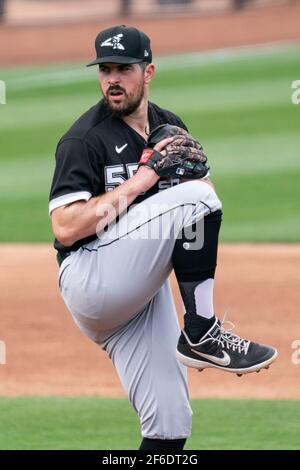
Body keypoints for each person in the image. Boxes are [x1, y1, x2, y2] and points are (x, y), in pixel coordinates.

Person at [49, 25, 277, 451]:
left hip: (139, 290)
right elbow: (64, 227)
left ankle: (197, 334)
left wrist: (188, 180)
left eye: (123, 69)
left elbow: (201, 197)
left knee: (169, 426)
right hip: (92, 276)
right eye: (105, 70)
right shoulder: (84, 139)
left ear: (148, 71)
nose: (112, 79)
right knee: (196, 199)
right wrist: (142, 180)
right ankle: (202, 331)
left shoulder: (170, 126)